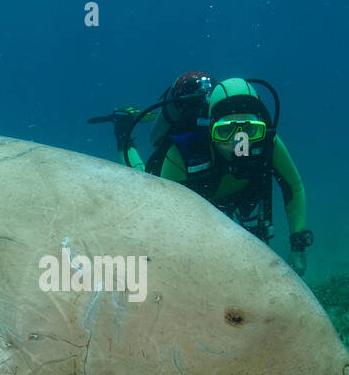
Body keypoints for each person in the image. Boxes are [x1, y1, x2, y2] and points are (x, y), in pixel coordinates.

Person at [103, 76, 313, 275]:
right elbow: (159, 212)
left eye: (249, 130)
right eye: (224, 132)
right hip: (181, 191)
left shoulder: (270, 145)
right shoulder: (182, 154)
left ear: (262, 128)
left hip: (221, 199)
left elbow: (294, 187)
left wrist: (298, 243)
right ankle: (124, 136)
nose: (238, 143)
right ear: (210, 129)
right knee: (140, 178)